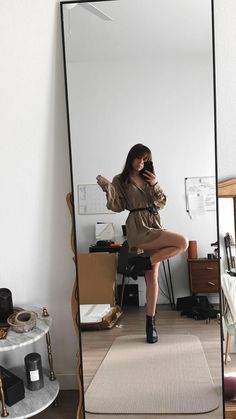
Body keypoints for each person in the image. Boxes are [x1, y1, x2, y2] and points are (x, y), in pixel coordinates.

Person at [96, 143, 188, 343]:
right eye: (138, 158)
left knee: (152, 279)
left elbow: (161, 203)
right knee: (183, 242)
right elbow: (118, 206)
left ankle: (150, 325)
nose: (141, 162)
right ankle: (143, 263)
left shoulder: (149, 178)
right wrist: (107, 188)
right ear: (131, 158)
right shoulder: (121, 180)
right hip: (138, 228)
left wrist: (155, 184)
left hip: (154, 224)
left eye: (145, 159)